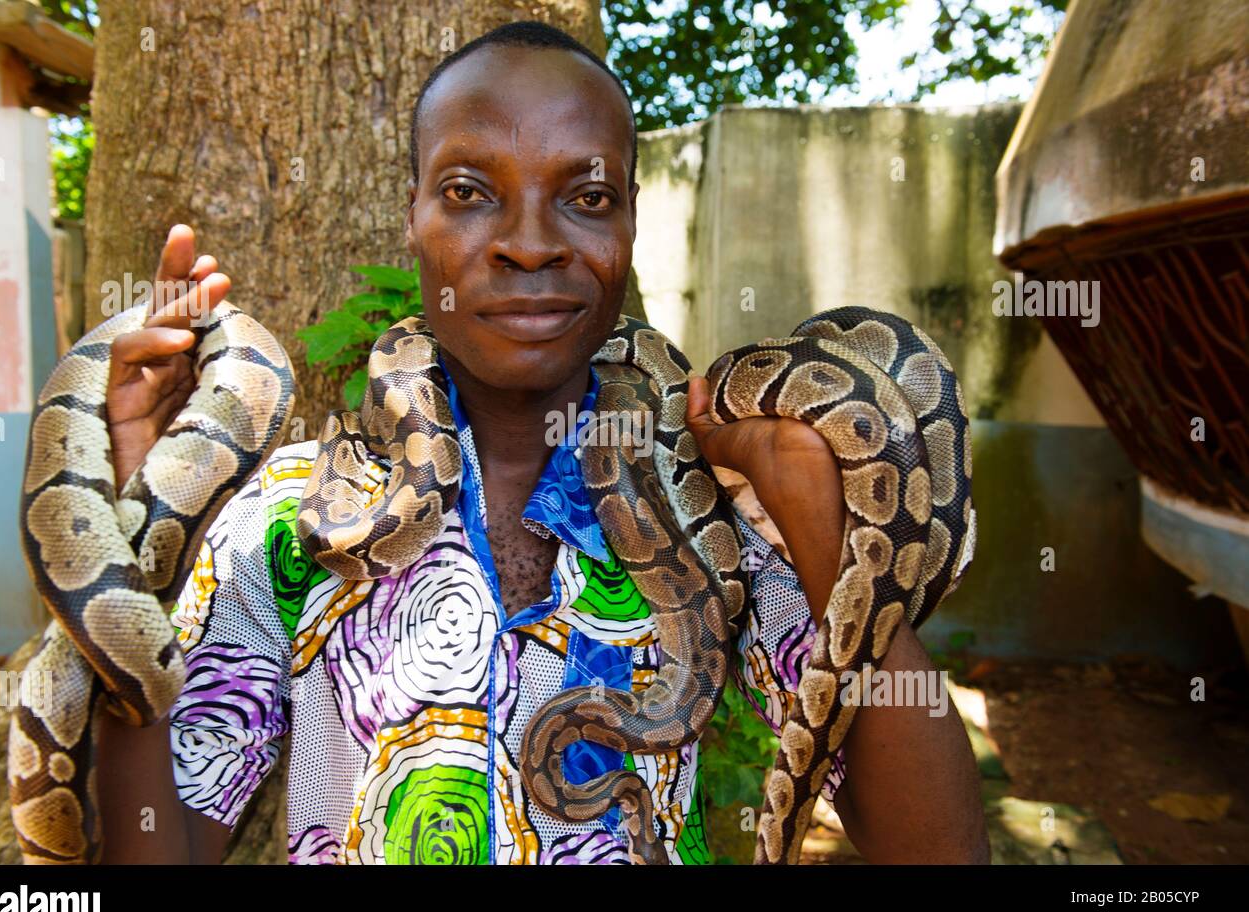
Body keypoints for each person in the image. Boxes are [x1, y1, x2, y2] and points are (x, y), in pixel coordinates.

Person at [96, 21, 988, 865]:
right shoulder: (287, 522)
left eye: (587, 196)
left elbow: (936, 849)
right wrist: (137, 536)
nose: (529, 244)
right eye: (468, 193)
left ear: (630, 222)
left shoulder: (724, 511)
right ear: (412, 215)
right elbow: (161, 845)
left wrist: (819, 518)